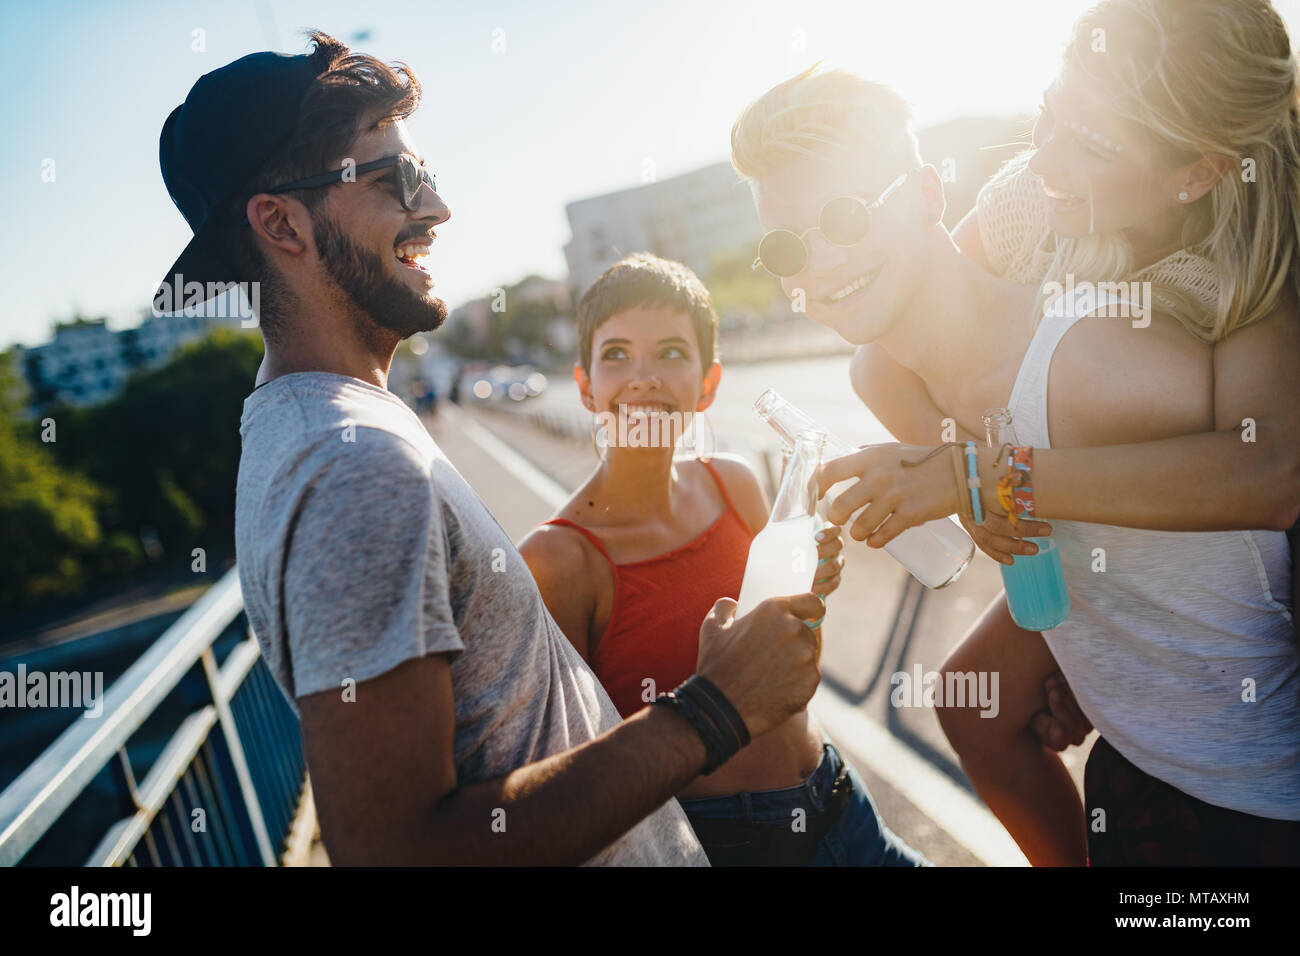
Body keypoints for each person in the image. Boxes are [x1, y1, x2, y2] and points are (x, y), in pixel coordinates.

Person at [159, 32, 826, 866]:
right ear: (281, 223)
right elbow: (398, 850)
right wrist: (717, 708)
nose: (435, 209)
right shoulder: (352, 465)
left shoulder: (328, 428)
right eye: (395, 179)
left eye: (425, 175)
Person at [730, 2, 1300, 866]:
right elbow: (896, 356)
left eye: (1095, 145)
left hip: (1242, 781)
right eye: (1049, 113)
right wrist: (974, 493)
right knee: (974, 701)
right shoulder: (1030, 204)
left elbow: (1266, 476)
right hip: (1157, 736)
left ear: (1198, 172)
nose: (1048, 160)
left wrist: (980, 478)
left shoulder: (1232, 272)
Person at [518, 252, 927, 866]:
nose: (645, 376)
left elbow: (784, 644)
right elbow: (566, 772)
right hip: (730, 845)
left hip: (838, 797)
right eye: (617, 354)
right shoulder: (559, 559)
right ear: (585, 386)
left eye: (673, 354)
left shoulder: (734, 483)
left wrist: (813, 588)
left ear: (708, 384)